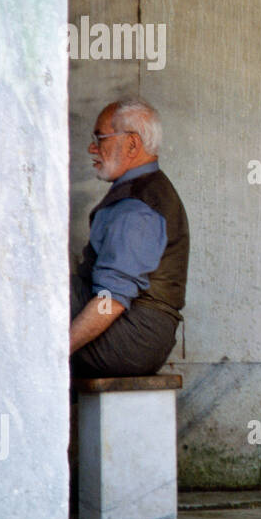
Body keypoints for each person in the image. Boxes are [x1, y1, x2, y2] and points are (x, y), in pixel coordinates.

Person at [70, 98, 189, 379]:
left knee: (42, 290)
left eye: (100, 138)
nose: (92, 148)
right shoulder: (144, 192)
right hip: (143, 336)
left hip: (134, 338)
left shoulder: (138, 206)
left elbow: (110, 301)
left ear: (132, 145)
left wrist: (56, 352)